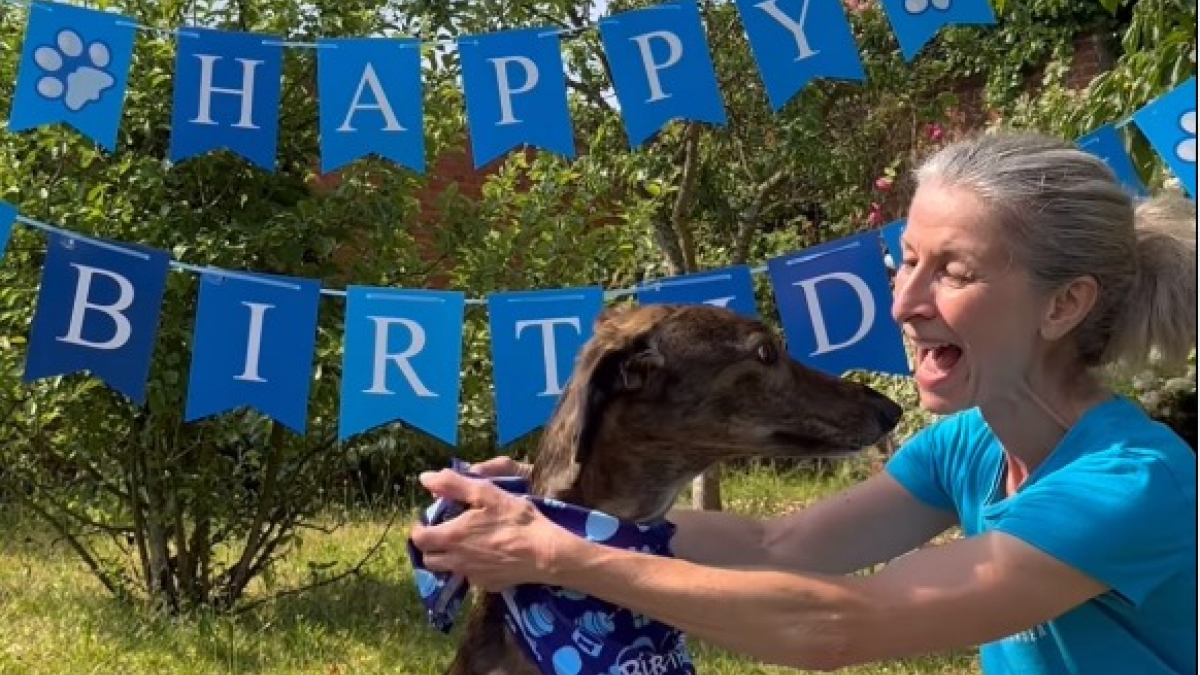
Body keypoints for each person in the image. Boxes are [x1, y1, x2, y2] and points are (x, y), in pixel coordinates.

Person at [409, 131, 1198, 674]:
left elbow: (840, 623)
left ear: (1062, 306)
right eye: (907, 260)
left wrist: (559, 554)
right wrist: (554, 509)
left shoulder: (1129, 484)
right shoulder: (971, 448)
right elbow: (778, 543)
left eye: (953, 272)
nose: (905, 302)